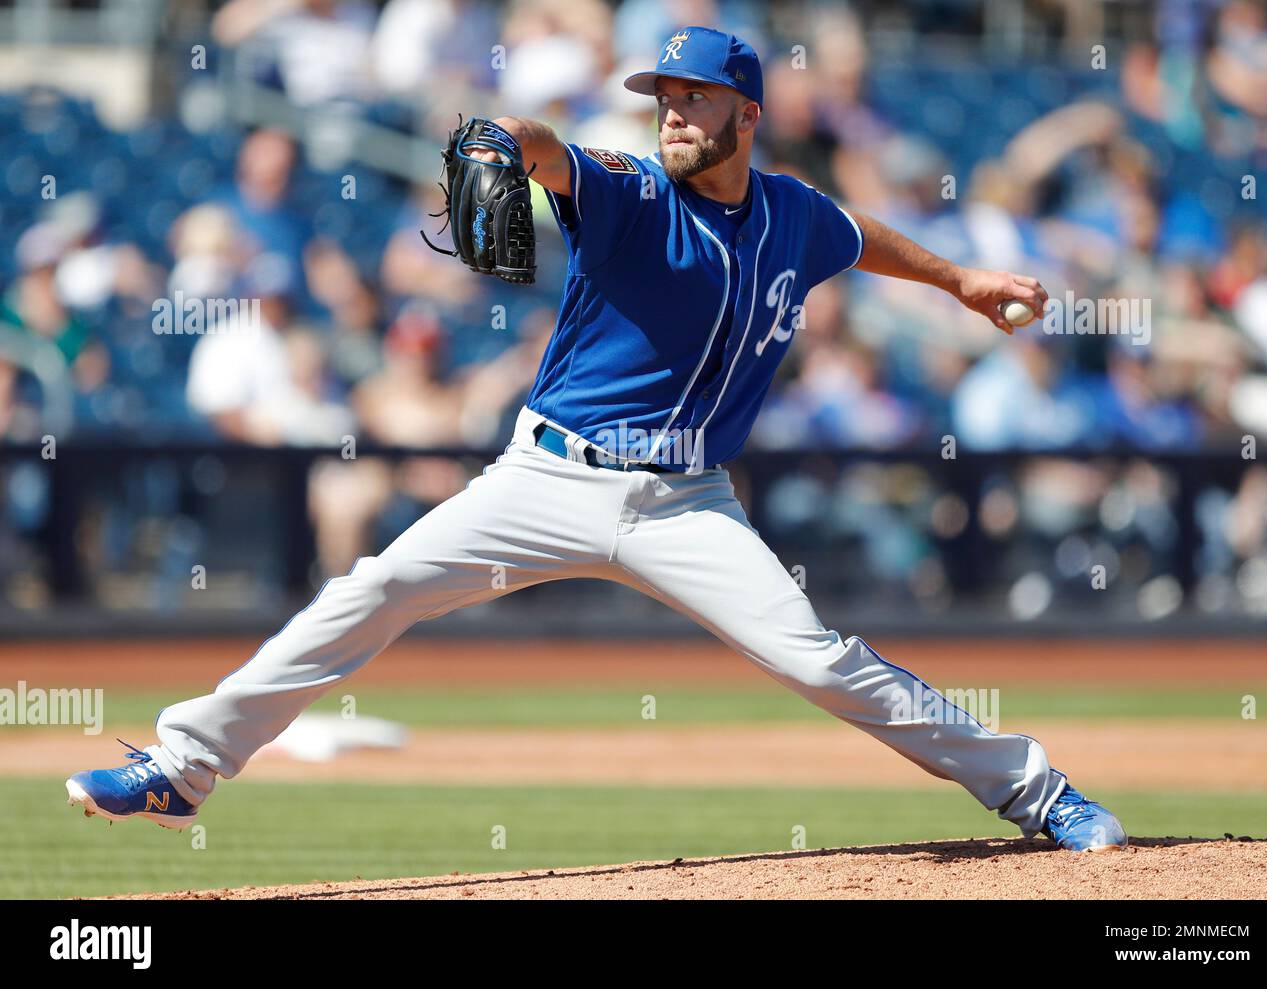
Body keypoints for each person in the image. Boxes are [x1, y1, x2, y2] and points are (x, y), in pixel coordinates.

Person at [66, 27, 1125, 853]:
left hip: (687, 504)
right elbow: (538, 149)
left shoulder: (792, 214)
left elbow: (857, 234)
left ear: (745, 113)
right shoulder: (625, 193)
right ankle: (184, 765)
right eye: (661, 97)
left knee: (823, 662)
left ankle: (1039, 789)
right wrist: (495, 140)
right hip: (547, 476)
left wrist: (961, 280)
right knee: (372, 587)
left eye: (692, 97)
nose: (670, 113)